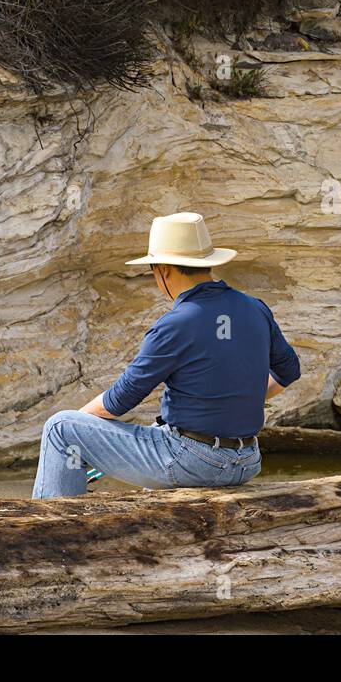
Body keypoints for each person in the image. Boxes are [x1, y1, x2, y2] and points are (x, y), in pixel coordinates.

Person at [32, 211, 300, 498]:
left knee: (60, 428)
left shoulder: (176, 324)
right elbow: (289, 371)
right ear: (207, 265)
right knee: (157, 429)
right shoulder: (255, 308)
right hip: (246, 461)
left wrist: (80, 421)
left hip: (197, 463)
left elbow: (120, 401)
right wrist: (237, 402)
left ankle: (51, 528)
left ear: (163, 270)